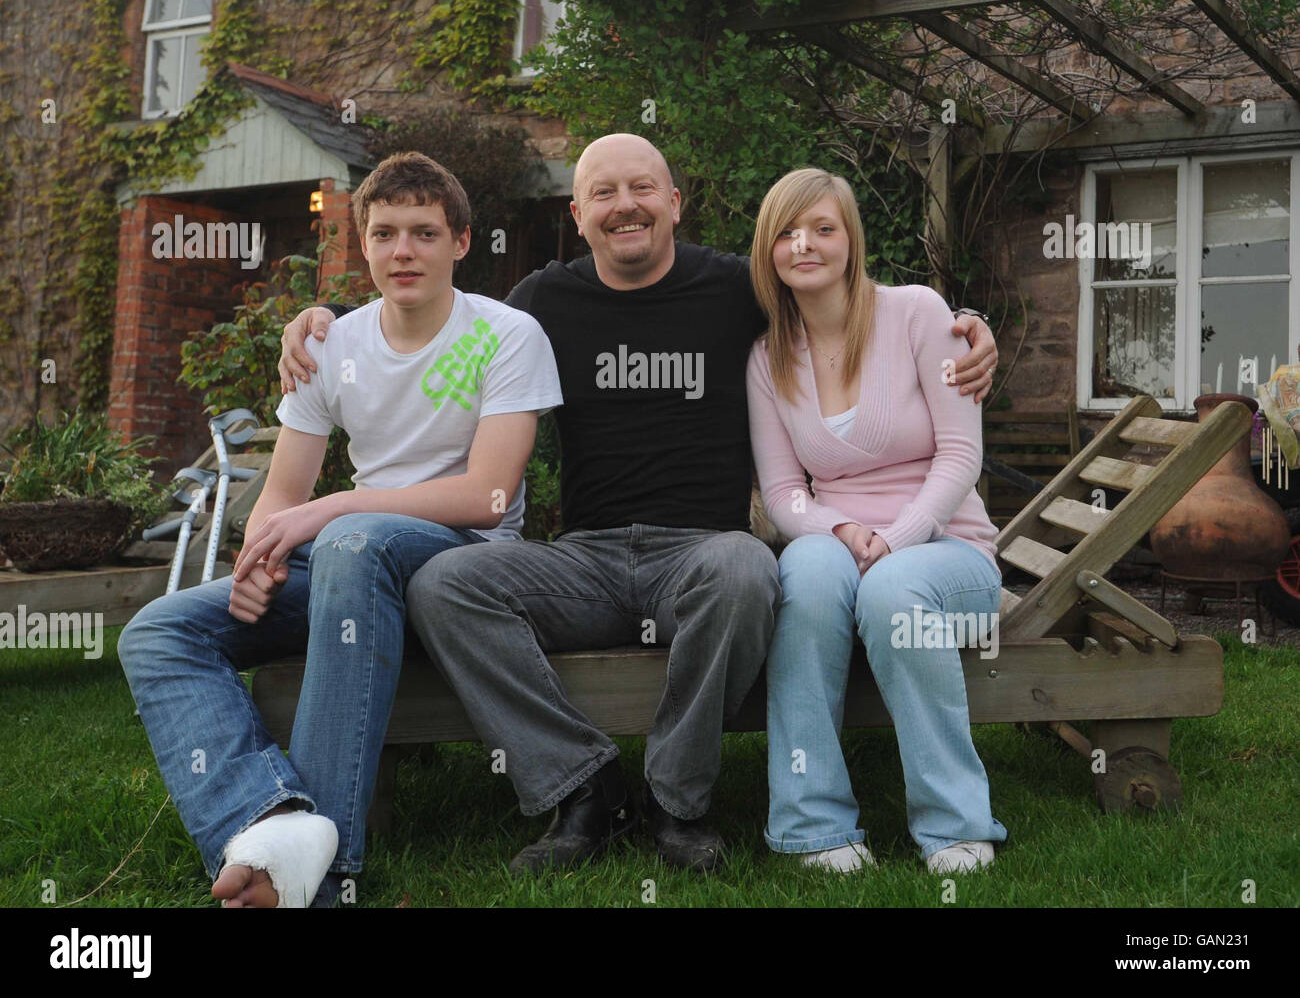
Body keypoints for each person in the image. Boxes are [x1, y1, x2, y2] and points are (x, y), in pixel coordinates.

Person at [277, 133, 1000, 875]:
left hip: (702, 552)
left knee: (748, 570)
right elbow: (440, 309)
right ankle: (585, 787)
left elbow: (839, 296)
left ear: (674, 204)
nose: (625, 205)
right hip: (583, 559)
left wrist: (966, 325)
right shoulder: (544, 302)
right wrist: (325, 317)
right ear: (578, 215)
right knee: (444, 585)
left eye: (643, 188)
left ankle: (676, 801)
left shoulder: (736, 289)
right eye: (604, 192)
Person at [119, 152, 561, 907]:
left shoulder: (508, 333)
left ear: (461, 242)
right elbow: (282, 491)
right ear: (363, 244)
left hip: (462, 568)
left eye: (424, 233)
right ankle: (267, 821)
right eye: (384, 234)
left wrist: (330, 512)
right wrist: (260, 558)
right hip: (348, 567)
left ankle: (317, 882)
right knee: (158, 632)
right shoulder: (329, 345)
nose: (403, 251)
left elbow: (487, 497)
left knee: (353, 543)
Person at [746, 167, 1005, 876]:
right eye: (787, 233)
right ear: (769, 250)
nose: (805, 244)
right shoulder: (768, 359)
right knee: (804, 574)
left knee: (895, 590)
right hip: (838, 543)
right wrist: (839, 531)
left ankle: (955, 823)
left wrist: (895, 540)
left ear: (851, 240)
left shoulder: (919, 314)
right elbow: (783, 492)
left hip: (949, 549)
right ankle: (813, 825)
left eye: (823, 228)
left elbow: (961, 454)